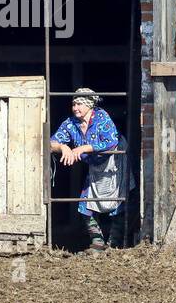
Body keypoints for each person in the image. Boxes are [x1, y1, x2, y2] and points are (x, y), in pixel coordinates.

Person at [49, 87, 128, 251]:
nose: (75, 108)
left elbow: (111, 142)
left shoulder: (101, 117)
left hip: (115, 161)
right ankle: (98, 242)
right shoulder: (71, 124)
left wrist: (84, 148)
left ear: (89, 105)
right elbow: (51, 142)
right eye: (74, 104)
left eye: (79, 104)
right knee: (86, 202)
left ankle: (115, 243)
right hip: (95, 165)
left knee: (118, 198)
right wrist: (63, 147)